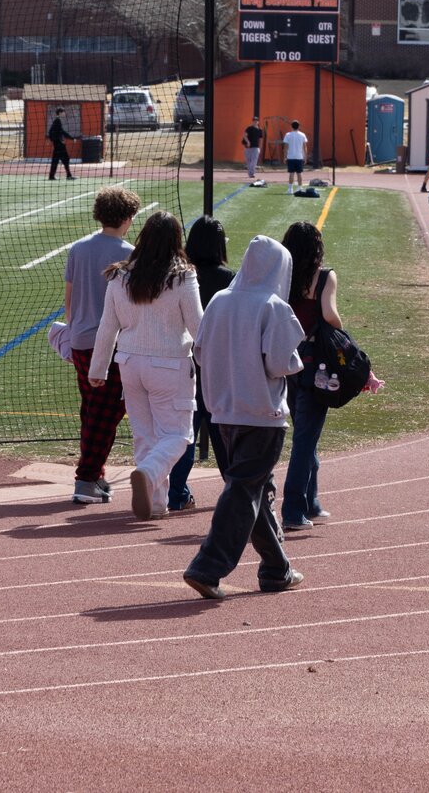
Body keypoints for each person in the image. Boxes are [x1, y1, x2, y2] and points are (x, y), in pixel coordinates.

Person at [182, 236, 309, 599]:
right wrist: (295, 361)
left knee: (252, 489)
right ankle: (208, 566)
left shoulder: (220, 300)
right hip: (261, 413)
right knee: (243, 489)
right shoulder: (274, 307)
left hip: (223, 411)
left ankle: (276, 568)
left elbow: (201, 351)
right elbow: (279, 363)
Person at [89, 210, 203, 521]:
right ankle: (150, 474)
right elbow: (198, 326)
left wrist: (97, 370)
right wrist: (214, 362)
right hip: (170, 364)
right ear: (175, 240)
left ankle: (155, 503)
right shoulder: (182, 276)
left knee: (146, 434)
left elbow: (107, 326)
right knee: (179, 434)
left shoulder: (120, 275)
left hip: (129, 364)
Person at [64, 186, 141, 505]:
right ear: (126, 218)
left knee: (92, 409)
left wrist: (71, 331)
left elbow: (68, 298)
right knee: (106, 412)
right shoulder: (128, 253)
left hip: (80, 339)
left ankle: (95, 474)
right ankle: (86, 478)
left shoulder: (78, 248)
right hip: (111, 344)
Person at [168, 216, 236, 509]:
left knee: (185, 434)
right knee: (224, 436)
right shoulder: (229, 278)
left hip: (185, 363)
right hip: (219, 367)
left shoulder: (179, 276)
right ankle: (235, 491)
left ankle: (176, 494)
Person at [280, 221, 340, 530]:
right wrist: (342, 335)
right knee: (305, 439)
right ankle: (292, 508)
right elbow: (329, 314)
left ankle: (310, 500)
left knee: (306, 433)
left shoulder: (281, 276)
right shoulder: (324, 277)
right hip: (314, 365)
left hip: (285, 362)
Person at [46, 109, 74, 181]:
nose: (64, 113)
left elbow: (52, 132)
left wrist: (51, 139)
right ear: (60, 113)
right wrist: (71, 138)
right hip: (59, 145)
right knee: (65, 159)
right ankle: (68, 176)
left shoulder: (57, 121)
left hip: (57, 144)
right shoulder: (57, 121)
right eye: (63, 112)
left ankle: (51, 176)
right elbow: (61, 132)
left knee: (56, 160)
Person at [283, 119, 309, 194]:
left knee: (291, 173)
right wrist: (305, 157)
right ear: (298, 126)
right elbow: (305, 147)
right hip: (299, 157)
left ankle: (290, 189)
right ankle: (299, 188)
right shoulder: (302, 135)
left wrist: (284, 157)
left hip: (290, 157)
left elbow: (285, 147)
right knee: (299, 173)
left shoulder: (288, 135)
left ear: (291, 126)